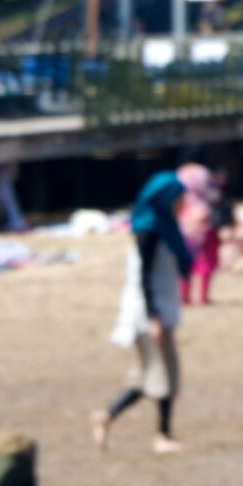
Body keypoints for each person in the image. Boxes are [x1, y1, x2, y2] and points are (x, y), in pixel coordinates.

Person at [93, 169, 193, 455]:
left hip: (160, 308)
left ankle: (106, 416)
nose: (182, 203)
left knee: (147, 376)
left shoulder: (164, 226)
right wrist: (153, 317)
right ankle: (162, 436)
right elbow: (144, 277)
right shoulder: (149, 230)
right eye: (178, 198)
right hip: (149, 312)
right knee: (163, 374)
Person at [179, 164, 223, 307]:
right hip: (205, 226)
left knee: (185, 264)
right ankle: (203, 297)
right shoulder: (204, 174)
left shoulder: (181, 174)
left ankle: (184, 297)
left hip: (184, 228)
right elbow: (215, 196)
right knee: (206, 263)